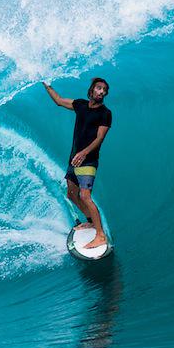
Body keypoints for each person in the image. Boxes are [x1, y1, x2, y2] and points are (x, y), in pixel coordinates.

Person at [42, 77, 113, 249]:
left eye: (104, 90)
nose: (101, 92)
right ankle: (91, 222)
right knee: (72, 194)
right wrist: (46, 84)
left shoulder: (105, 113)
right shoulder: (80, 105)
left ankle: (100, 236)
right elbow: (59, 101)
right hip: (74, 159)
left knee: (85, 196)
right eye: (99, 88)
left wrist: (84, 153)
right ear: (92, 90)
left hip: (88, 160)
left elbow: (100, 138)